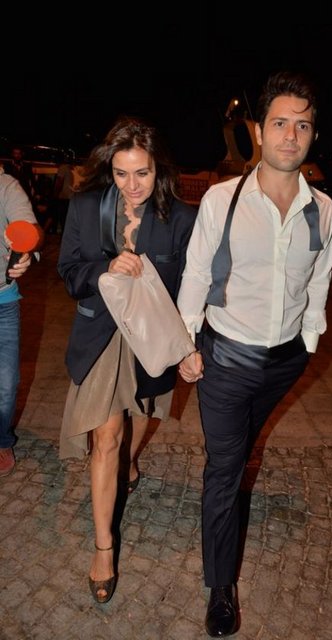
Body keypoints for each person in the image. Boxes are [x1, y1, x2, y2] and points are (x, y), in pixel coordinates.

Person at [177, 70, 332, 637]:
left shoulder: (323, 208)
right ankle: (221, 585)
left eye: (302, 126)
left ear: (312, 135)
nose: (291, 136)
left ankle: (231, 492)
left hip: (286, 361)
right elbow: (196, 272)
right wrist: (186, 342)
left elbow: (319, 277)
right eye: (280, 123)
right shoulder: (223, 199)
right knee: (225, 467)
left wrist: (310, 340)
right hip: (225, 358)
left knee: (243, 447)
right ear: (260, 131)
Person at [57, 116, 197, 605]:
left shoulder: (181, 218)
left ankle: (130, 466)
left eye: (142, 173)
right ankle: (104, 547)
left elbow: (192, 288)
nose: (132, 185)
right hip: (101, 336)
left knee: (140, 413)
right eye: (121, 173)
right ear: (109, 168)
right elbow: (69, 272)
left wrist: (191, 345)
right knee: (106, 436)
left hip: (150, 337)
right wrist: (104, 268)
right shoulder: (85, 206)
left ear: (159, 169)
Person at [0, 167, 40, 477]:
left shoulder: (5, 186)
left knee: (6, 382)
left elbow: (29, 227)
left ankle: (1, 441)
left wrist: (26, 251)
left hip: (3, 302)